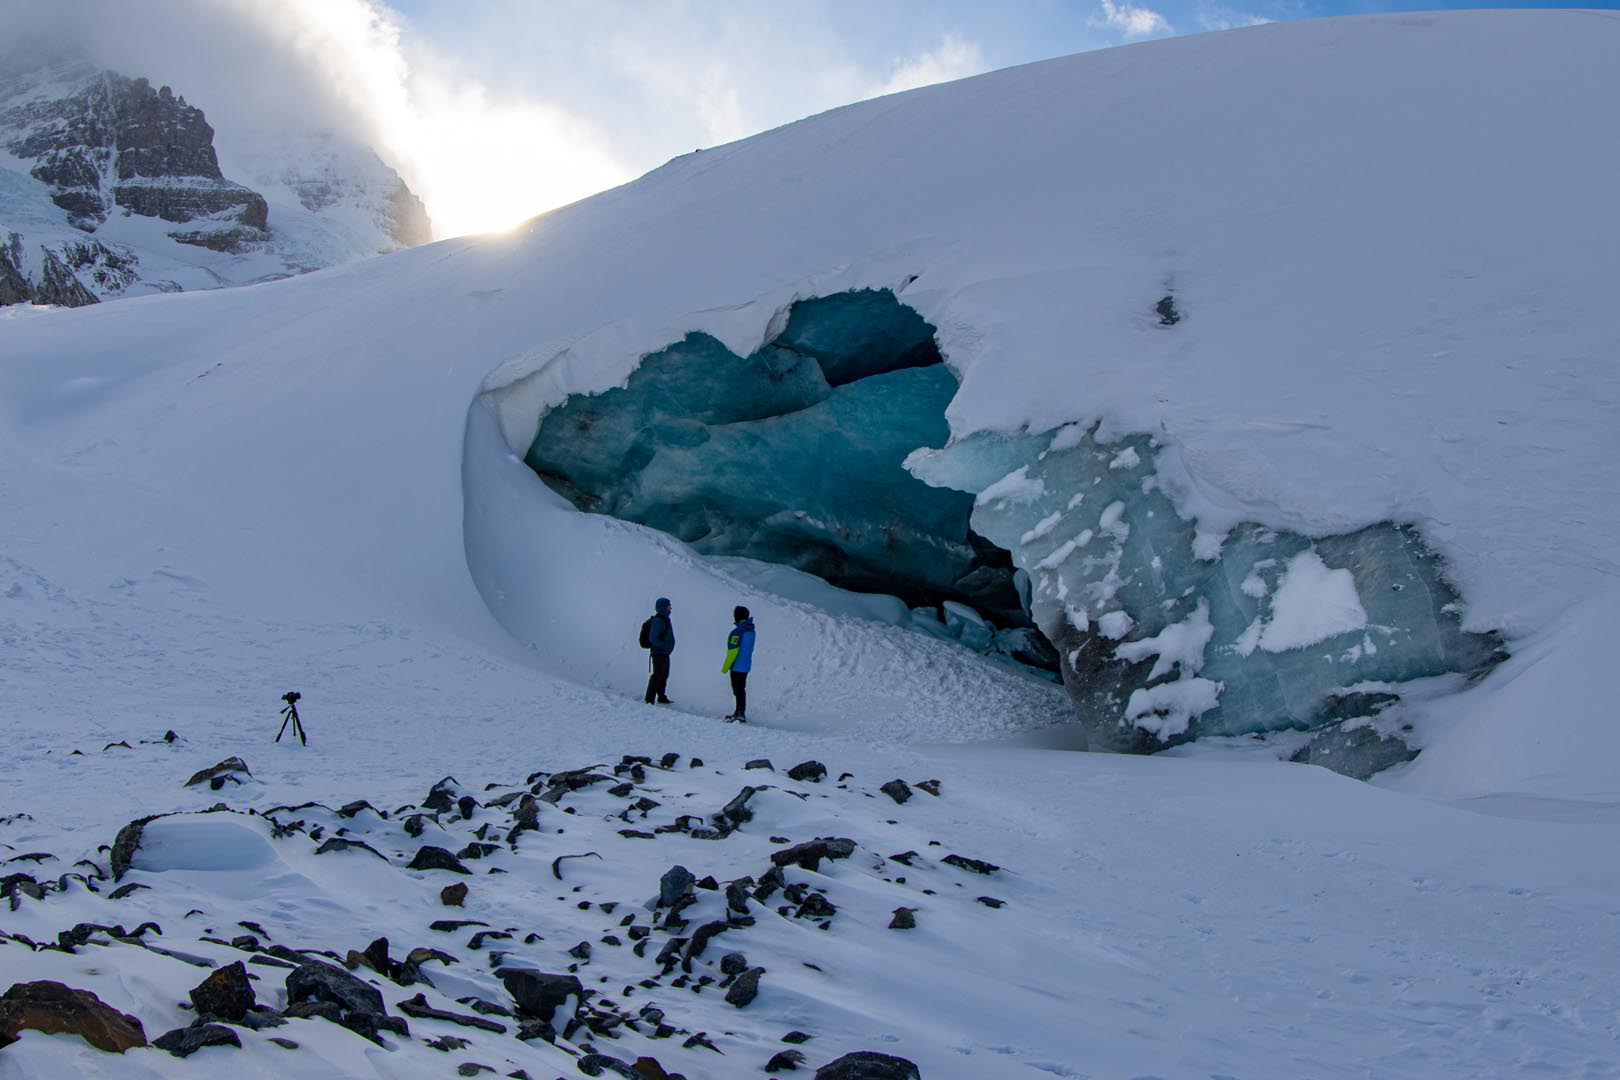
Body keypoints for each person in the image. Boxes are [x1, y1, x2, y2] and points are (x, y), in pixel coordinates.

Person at [721, 605, 755, 723]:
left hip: (736, 665)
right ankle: (738, 711)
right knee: (741, 688)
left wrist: (725, 667)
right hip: (746, 664)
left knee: (737, 689)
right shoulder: (751, 630)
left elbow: (732, 651)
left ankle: (740, 712)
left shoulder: (737, 632)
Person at [643, 597, 675, 705]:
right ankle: (649, 699)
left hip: (664, 653)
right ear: (663, 607)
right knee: (657, 675)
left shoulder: (664, 619)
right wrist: (663, 645)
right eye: (668, 606)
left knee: (664, 675)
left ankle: (661, 696)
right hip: (659, 653)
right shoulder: (659, 621)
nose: (670, 608)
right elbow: (653, 638)